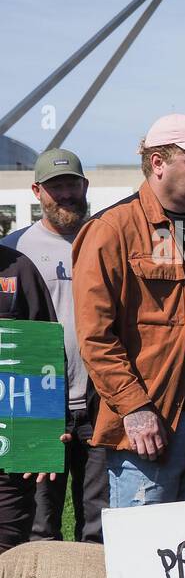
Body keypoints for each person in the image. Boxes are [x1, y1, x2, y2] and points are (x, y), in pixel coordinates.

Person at [74, 115, 185, 508]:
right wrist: (134, 408)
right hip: (151, 425)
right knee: (148, 552)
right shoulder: (111, 229)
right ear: (158, 163)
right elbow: (95, 337)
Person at [1, 149, 106, 543]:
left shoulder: (106, 239)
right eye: (54, 186)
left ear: (84, 186)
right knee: (39, 523)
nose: (64, 193)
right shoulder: (15, 252)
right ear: (36, 192)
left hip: (99, 403)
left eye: (70, 184)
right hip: (39, 409)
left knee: (99, 523)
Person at [0, 242, 64, 553]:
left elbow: (43, 352)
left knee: (7, 557)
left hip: (8, 456)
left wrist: (42, 438)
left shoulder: (18, 268)